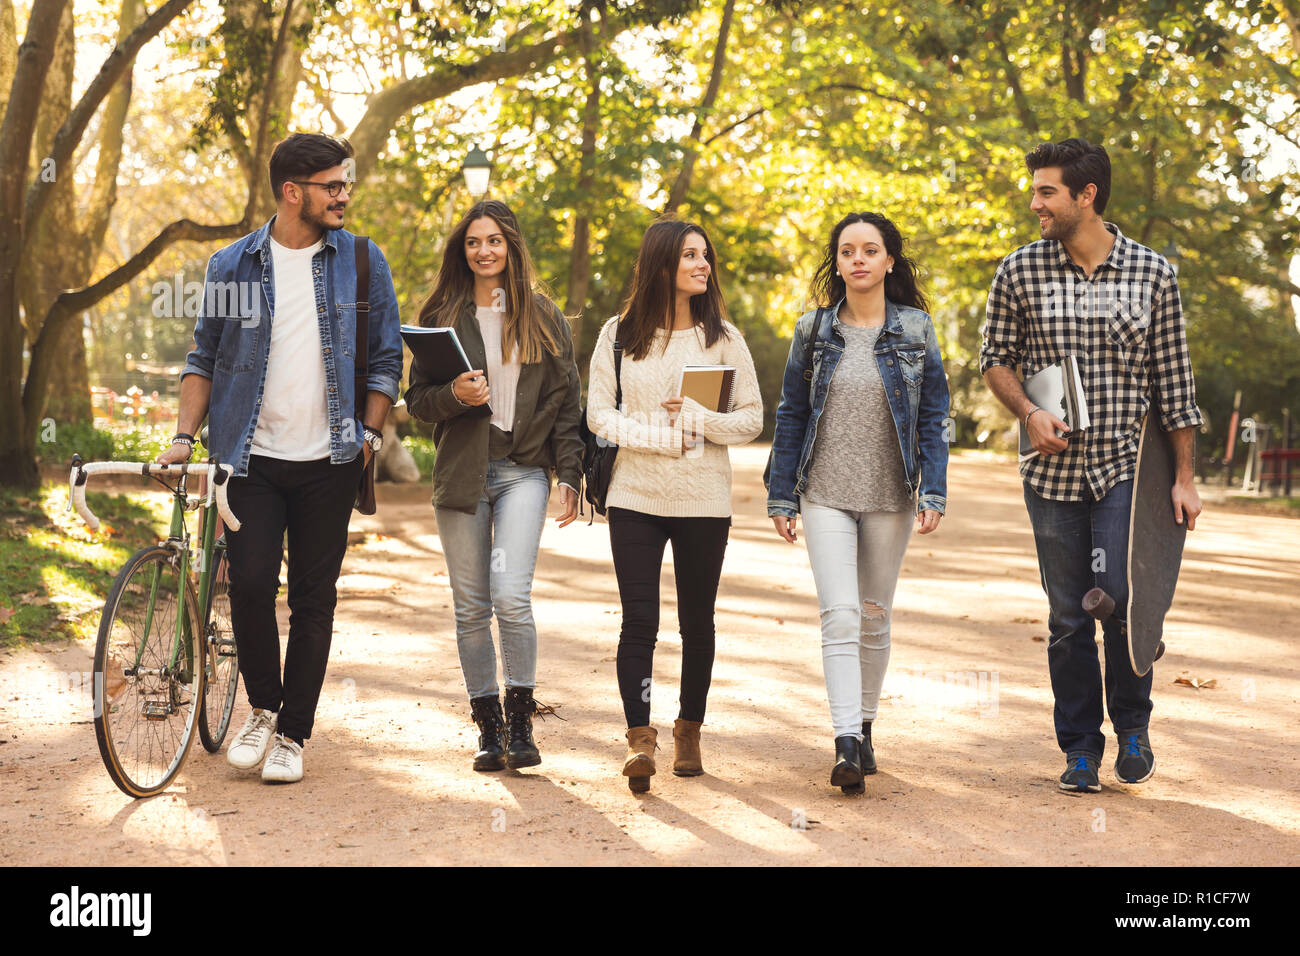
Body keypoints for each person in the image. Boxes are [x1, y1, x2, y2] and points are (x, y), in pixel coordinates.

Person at [161, 132, 402, 783]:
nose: (344, 194)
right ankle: (264, 708)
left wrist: (369, 440)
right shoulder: (231, 266)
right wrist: (185, 436)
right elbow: (203, 360)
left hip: (331, 461)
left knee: (313, 599)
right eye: (332, 185)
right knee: (247, 584)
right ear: (293, 192)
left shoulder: (359, 260)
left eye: (346, 183)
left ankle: (294, 732)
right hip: (251, 461)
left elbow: (385, 360)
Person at [980, 137, 1203, 793]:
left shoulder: (1153, 274)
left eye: (1046, 191)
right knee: (1069, 617)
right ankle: (1081, 751)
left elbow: (1176, 384)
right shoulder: (1019, 271)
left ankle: (1134, 725)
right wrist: (1028, 412)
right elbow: (995, 358)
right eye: (1035, 191)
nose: (1035, 203)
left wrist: (1184, 477)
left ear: (1086, 196)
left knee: (1126, 603)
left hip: (1126, 470)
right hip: (1051, 476)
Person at [766, 212, 950, 794]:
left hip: (890, 496)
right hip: (824, 493)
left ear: (890, 261)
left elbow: (934, 417)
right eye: (848, 251)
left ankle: (866, 726)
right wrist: (781, 493)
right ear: (838, 261)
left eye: (871, 250)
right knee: (839, 615)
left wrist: (933, 489)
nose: (859, 259)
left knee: (873, 616)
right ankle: (845, 740)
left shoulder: (917, 330)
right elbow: (791, 412)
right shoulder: (813, 330)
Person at [404, 200, 583, 773]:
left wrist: (571, 475)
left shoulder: (543, 316)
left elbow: (567, 404)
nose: (484, 251)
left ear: (511, 247)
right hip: (461, 475)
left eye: (495, 241)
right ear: (464, 250)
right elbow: (417, 403)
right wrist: (456, 396)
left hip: (522, 472)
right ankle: (489, 729)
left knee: (510, 595)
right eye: (474, 242)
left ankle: (523, 724)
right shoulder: (440, 314)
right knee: (470, 607)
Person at [586, 219, 763, 794]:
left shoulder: (724, 338)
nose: (702, 264)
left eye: (705, 256)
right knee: (640, 622)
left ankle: (689, 730)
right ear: (662, 262)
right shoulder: (618, 334)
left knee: (697, 624)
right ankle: (641, 738)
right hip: (635, 495)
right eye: (690, 255)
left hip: (703, 500)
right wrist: (660, 437)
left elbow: (752, 418)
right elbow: (599, 416)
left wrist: (698, 419)